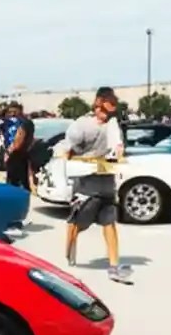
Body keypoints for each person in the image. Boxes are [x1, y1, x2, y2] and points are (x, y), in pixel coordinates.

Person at [56, 88, 131, 283]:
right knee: (78, 224)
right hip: (85, 186)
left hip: (106, 184)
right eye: (104, 110)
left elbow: (117, 149)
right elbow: (67, 151)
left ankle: (114, 267)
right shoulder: (82, 125)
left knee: (109, 223)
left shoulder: (113, 126)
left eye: (110, 111)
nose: (106, 115)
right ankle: (69, 252)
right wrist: (68, 169)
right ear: (97, 104)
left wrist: (118, 157)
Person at [4, 103, 35, 192]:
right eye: (10, 112)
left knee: (14, 183)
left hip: (16, 155)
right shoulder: (17, 123)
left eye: (14, 111)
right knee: (22, 181)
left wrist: (8, 153)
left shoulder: (23, 123)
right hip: (22, 155)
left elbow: (18, 142)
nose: (12, 114)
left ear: (20, 111)